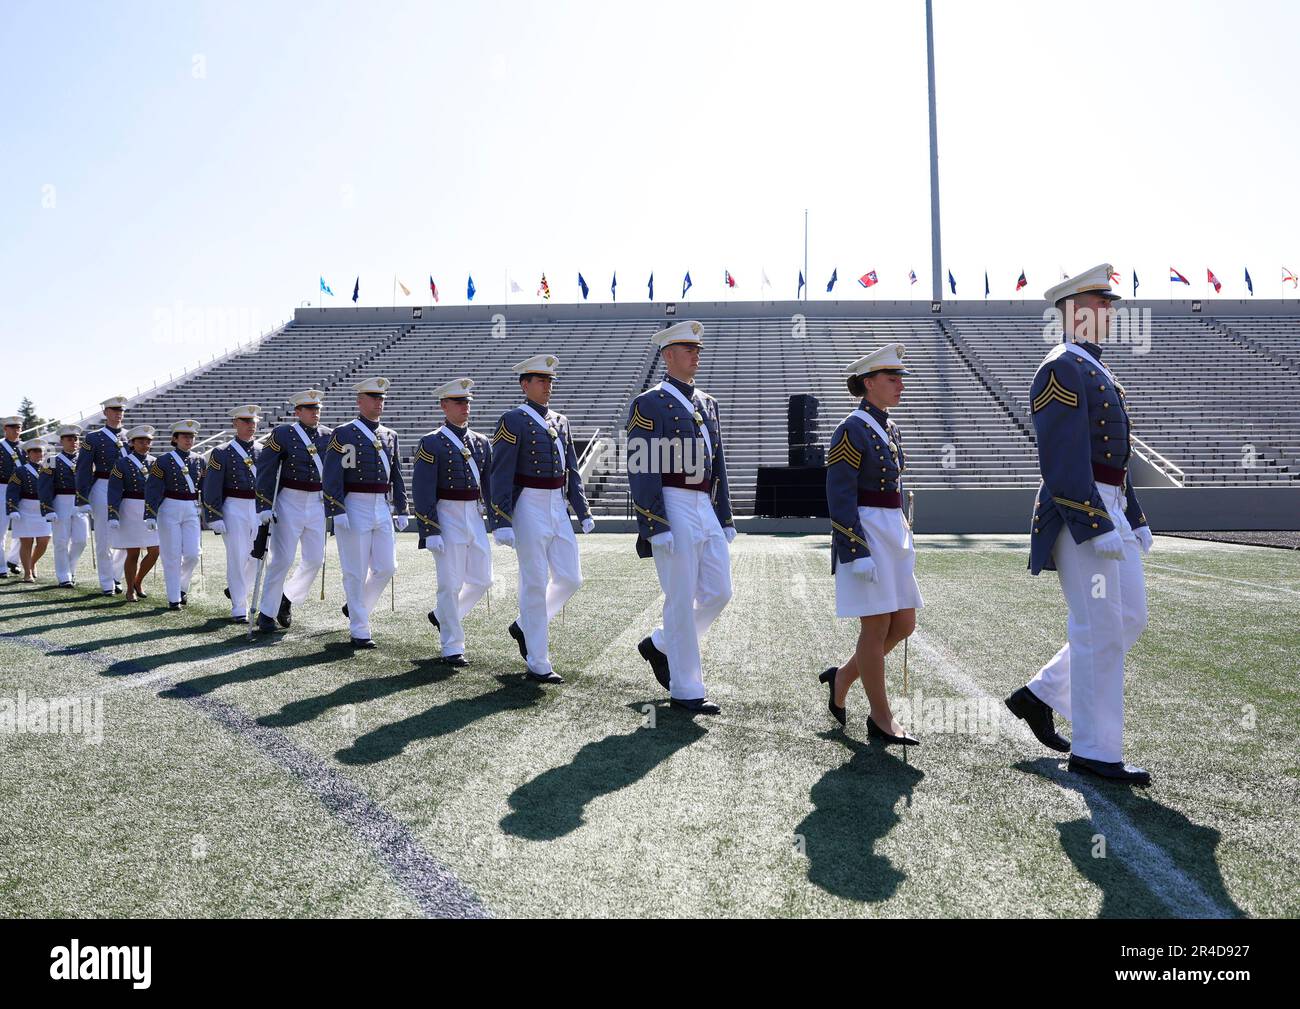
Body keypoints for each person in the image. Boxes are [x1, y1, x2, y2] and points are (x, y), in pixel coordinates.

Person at [1005, 263, 1152, 786]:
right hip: (1076, 512)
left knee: (1129, 616)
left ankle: (1041, 694)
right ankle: (1095, 750)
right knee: (1099, 628)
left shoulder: (1096, 367)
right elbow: (1064, 461)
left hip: (1108, 505)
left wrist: (1132, 516)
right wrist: (1096, 523)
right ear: (1073, 310)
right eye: (1099, 302)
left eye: (1110, 303)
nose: (1110, 311)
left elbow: (1115, 455)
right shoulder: (1061, 367)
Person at [627, 320, 735, 714]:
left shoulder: (707, 402)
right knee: (680, 595)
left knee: (721, 590)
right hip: (671, 500)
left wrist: (724, 513)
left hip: (703, 502)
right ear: (668, 355)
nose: (696, 354)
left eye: (698, 349)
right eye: (688, 349)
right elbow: (641, 465)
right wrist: (654, 521)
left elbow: (718, 461)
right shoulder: (649, 402)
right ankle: (686, 688)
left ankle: (660, 644)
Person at [820, 344, 923, 745]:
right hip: (866, 532)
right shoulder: (851, 428)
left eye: (900, 378)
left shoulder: (890, 426)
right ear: (868, 383)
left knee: (904, 622)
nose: (900, 385)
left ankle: (843, 677)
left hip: (891, 531)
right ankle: (881, 719)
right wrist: (854, 549)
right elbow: (839, 494)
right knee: (877, 625)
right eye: (892, 378)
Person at [488, 354, 594, 684]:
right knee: (534, 581)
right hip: (528, 504)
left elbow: (571, 469)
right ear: (525, 384)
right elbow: (500, 472)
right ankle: (538, 660)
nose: (548, 386)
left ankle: (525, 625)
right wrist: (501, 518)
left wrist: (582, 508)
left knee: (571, 577)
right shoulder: (512, 420)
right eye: (541, 381)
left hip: (556, 503)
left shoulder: (560, 420)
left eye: (550, 381)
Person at [411, 378, 493, 667]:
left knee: (483, 579)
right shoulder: (432, 441)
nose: (464, 407)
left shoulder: (481, 442)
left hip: (473, 512)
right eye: (458, 402)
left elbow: (489, 482)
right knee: (450, 583)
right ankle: (452, 646)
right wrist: (429, 528)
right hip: (446, 513)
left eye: (467, 401)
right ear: (444, 405)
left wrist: (497, 519)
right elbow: (422, 490)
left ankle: (442, 615)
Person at [323, 377, 409, 648]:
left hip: (381, 504)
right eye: (373, 397)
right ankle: (360, 628)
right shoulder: (343, 432)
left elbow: (396, 474)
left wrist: (402, 506)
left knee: (387, 566)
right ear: (359, 401)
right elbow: (332, 473)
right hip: (354, 503)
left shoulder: (390, 435)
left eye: (381, 398)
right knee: (355, 570)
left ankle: (356, 607)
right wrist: (336, 508)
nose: (378, 402)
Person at [253, 389, 332, 634]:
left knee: (315, 559)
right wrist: (264, 505)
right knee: (282, 559)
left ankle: (287, 596)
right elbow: (266, 469)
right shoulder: (283, 434)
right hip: (290, 500)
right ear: (298, 412)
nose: (315, 413)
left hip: (317, 501)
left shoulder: (329, 436)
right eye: (310, 409)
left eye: (317, 409)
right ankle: (266, 613)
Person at [203, 405, 262, 623]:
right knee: (237, 557)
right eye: (245, 421)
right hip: (234, 506)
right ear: (235, 423)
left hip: (257, 507)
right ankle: (239, 607)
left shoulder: (263, 450)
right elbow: (211, 485)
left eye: (253, 422)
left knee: (259, 555)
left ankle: (237, 589)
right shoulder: (222, 451)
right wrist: (214, 515)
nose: (250, 425)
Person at [75, 395, 130, 595]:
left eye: (121, 410)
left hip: (127, 489)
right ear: (105, 412)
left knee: (128, 536)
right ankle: (107, 582)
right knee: (104, 537)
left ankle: (116, 574)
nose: (118, 414)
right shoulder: (94, 437)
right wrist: (82, 498)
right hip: (103, 487)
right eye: (114, 410)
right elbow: (83, 468)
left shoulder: (130, 436)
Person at [146, 420, 204, 610]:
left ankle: (182, 587)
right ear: (175, 438)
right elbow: (153, 488)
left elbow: (204, 486)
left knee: (193, 554)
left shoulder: (199, 459)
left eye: (192, 436)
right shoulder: (163, 460)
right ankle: (174, 598)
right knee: (171, 555)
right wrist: (150, 513)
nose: (189, 439)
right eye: (185, 436)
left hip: (191, 507)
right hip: (169, 507)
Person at [106, 425, 159, 600]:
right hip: (129, 508)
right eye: (141, 441)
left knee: (155, 550)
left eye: (148, 441)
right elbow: (114, 490)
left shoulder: (155, 462)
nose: (145, 444)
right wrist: (113, 514)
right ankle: (130, 589)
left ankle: (138, 580)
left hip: (150, 509)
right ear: (132, 443)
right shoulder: (122, 463)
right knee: (133, 552)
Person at [38, 424, 89, 587]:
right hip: (61, 501)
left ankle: (70, 568)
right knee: (61, 541)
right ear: (61, 441)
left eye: (76, 439)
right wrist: (48, 508)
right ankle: (64, 576)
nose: (74, 442)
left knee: (81, 540)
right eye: (69, 439)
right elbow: (44, 486)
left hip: (80, 501)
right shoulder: (51, 460)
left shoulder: (85, 459)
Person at [6, 439, 53, 582]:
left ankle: (32, 563)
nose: (38, 454)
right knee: (26, 542)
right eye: (35, 451)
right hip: (25, 508)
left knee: (44, 540)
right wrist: (12, 508)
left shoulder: (49, 468)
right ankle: (27, 573)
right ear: (28, 454)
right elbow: (12, 491)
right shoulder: (20, 470)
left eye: (40, 451)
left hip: (43, 508)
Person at [0, 415, 23, 578]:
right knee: (1, 529)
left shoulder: (26, 447)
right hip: (2, 488)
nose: (16, 431)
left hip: (22, 490)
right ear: (5, 429)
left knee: (23, 528)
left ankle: (13, 560)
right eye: (13, 428)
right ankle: (1, 566)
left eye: (19, 428)